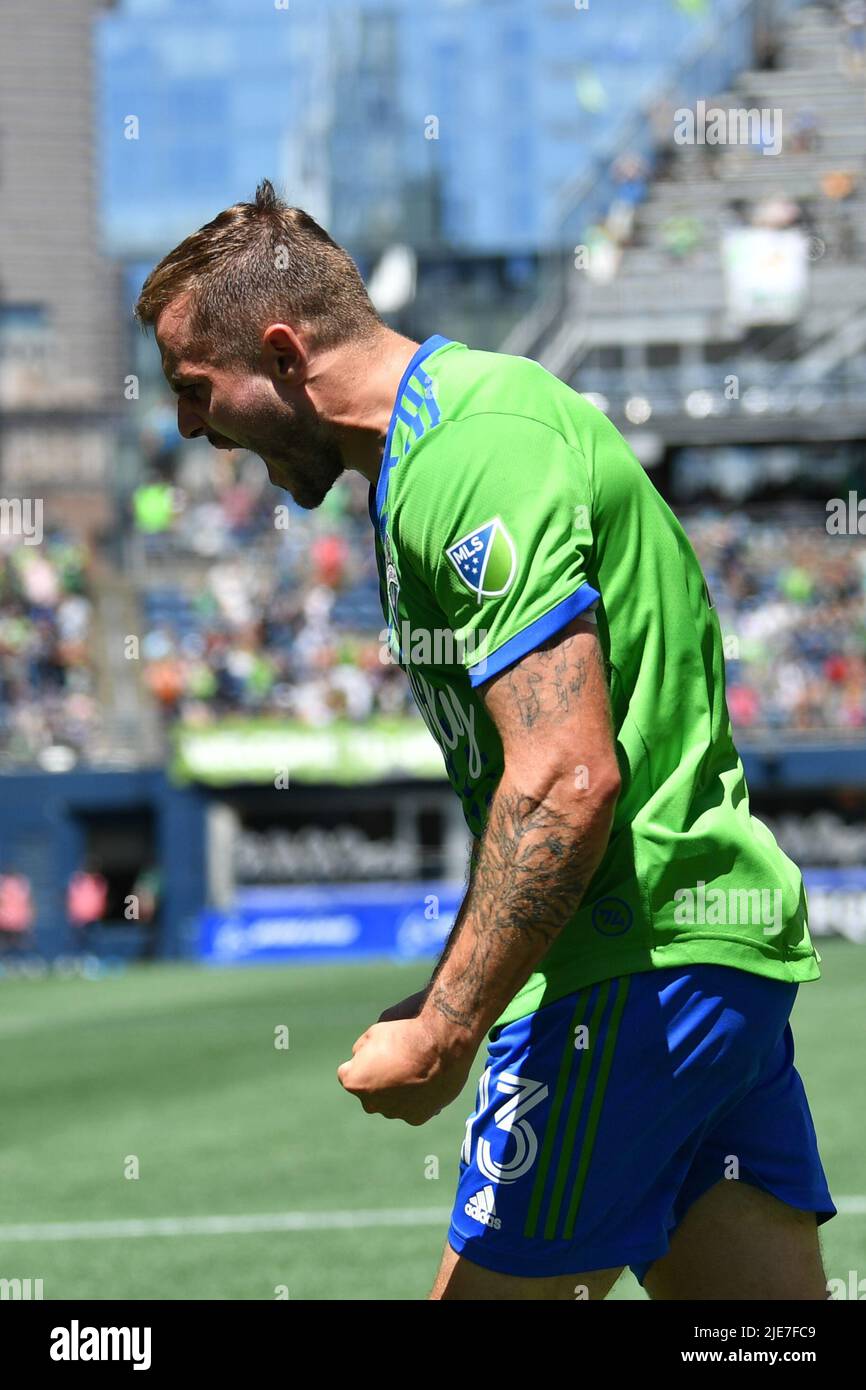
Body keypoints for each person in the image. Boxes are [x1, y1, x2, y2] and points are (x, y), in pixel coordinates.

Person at [134, 180, 835, 1301]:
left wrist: (447, 1027)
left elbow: (564, 777)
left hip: (627, 973)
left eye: (191, 388)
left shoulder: (471, 450)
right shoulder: (428, 456)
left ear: (279, 352)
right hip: (700, 958)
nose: (186, 429)